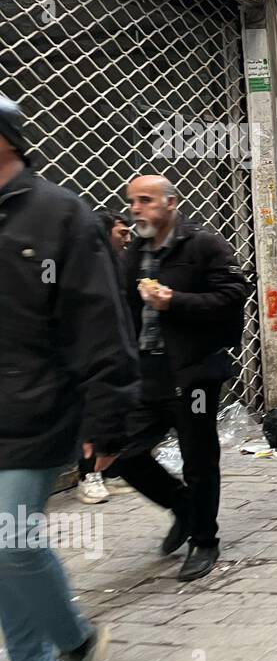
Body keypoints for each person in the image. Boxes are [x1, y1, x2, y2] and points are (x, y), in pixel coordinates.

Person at [0, 95, 131, 661]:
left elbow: (101, 324)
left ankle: (78, 643)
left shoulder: (60, 216)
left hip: (39, 408)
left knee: (11, 538)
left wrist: (109, 422)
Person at [110, 175, 252, 582]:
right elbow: (121, 304)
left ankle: (204, 540)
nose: (136, 209)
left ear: (171, 203)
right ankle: (183, 506)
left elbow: (232, 295)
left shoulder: (203, 245)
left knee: (198, 459)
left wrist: (174, 300)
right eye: (132, 201)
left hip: (192, 373)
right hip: (148, 372)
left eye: (145, 200)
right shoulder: (134, 252)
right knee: (125, 454)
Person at [74, 212, 135, 504]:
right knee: (92, 414)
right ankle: (88, 477)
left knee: (116, 411)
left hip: (119, 349)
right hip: (90, 353)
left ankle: (110, 471)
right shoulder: (83, 266)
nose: (127, 238)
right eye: (121, 233)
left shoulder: (121, 262)